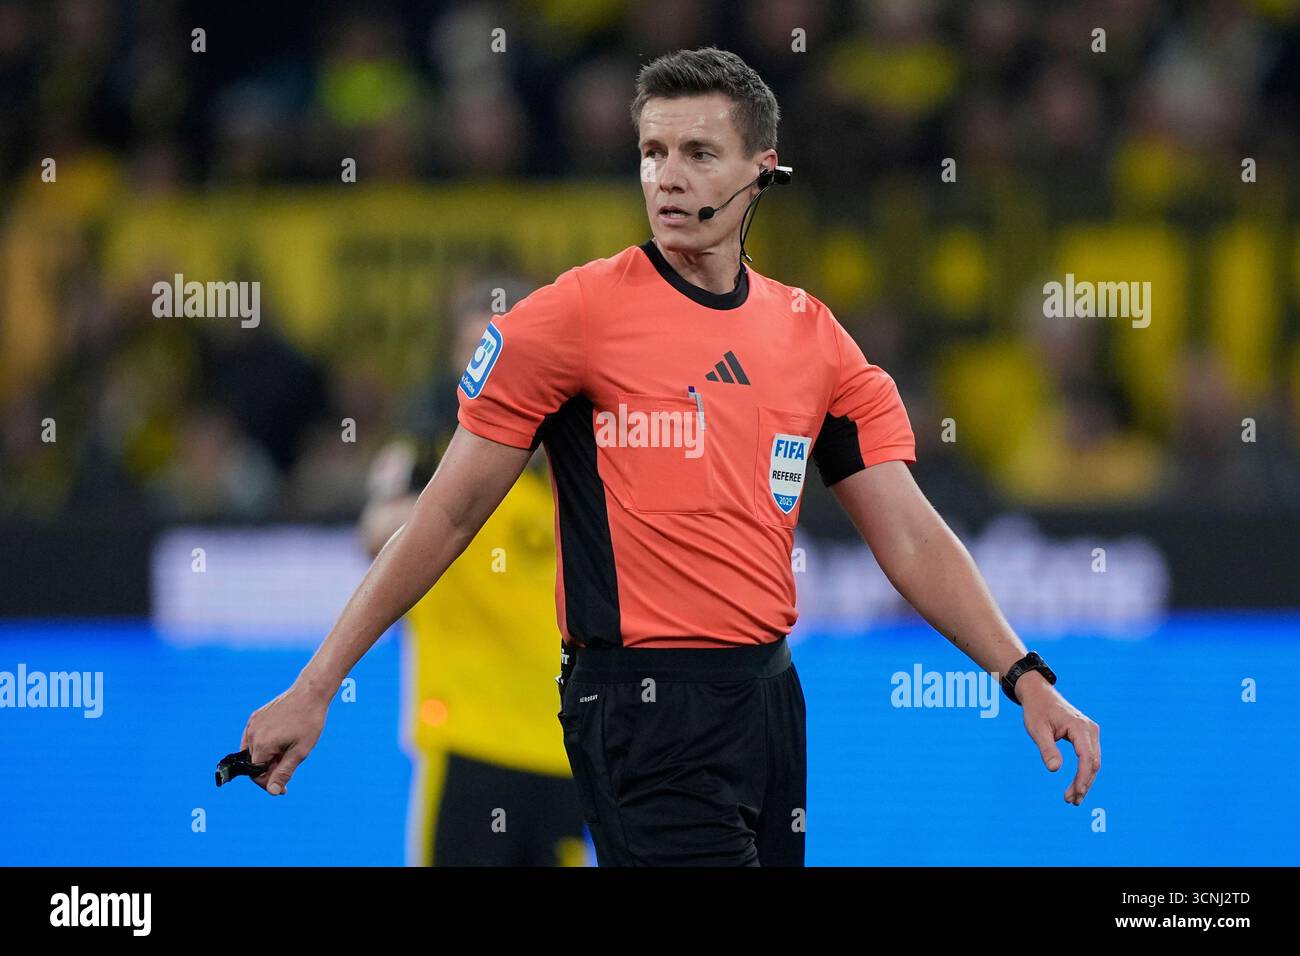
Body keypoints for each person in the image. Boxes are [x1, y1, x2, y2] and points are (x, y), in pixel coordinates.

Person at [238, 46, 1101, 866]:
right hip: (638, 707)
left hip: (769, 701)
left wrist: (1021, 672)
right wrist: (317, 685)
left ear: (761, 168)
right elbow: (449, 514)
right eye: (652, 151)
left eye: (698, 151)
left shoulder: (813, 339)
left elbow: (909, 533)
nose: (668, 175)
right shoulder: (570, 318)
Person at [359, 278, 588, 866]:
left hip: (562, 749)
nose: (493, 361)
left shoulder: (581, 463)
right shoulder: (427, 455)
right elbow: (376, 535)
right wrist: (469, 493)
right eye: (477, 346)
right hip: (467, 735)